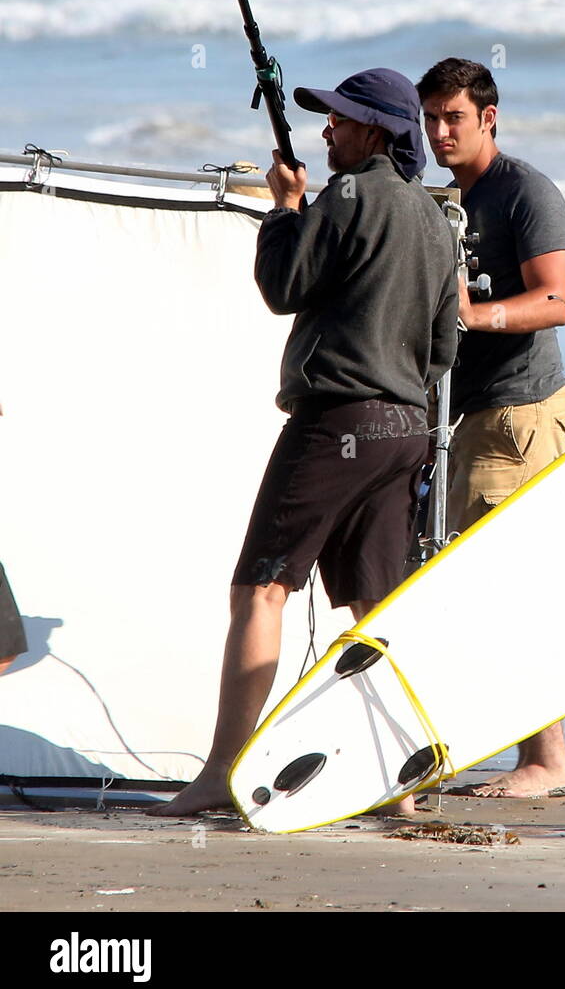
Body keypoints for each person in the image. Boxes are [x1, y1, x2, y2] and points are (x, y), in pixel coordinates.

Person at [151, 68, 460, 817]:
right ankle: (397, 783)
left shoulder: (348, 196)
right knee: (373, 605)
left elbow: (282, 285)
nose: (327, 131)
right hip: (404, 427)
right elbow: (446, 346)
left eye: (342, 121)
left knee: (261, 585)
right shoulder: (433, 218)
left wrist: (285, 208)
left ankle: (222, 770)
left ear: (378, 132)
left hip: (337, 421)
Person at [417, 57, 565, 799]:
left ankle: (547, 759)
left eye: (453, 117)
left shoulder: (525, 190)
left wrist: (471, 314)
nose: (439, 131)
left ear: (489, 117)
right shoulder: (446, 197)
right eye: (429, 118)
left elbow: (554, 300)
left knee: (514, 581)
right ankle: (521, 746)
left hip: (522, 413)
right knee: (481, 582)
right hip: (469, 415)